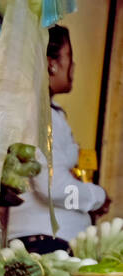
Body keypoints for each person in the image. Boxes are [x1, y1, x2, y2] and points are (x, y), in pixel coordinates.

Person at [7, 25, 110, 255]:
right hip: (44, 245)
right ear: (51, 63)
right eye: (69, 57)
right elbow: (53, 188)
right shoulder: (40, 114)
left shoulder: (47, 112)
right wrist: (97, 197)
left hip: (49, 243)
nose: (73, 67)